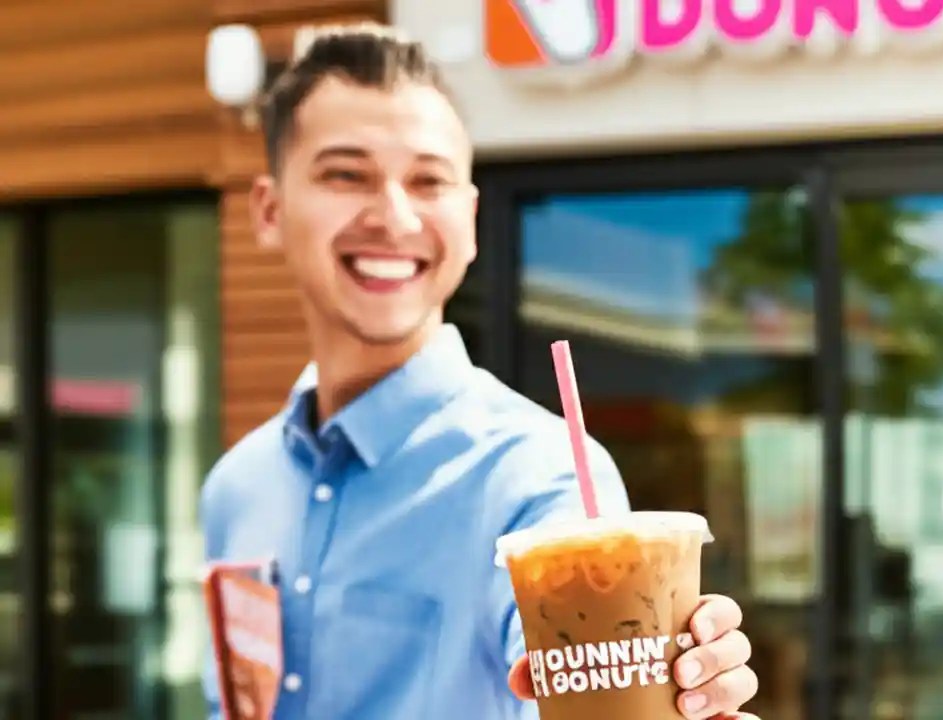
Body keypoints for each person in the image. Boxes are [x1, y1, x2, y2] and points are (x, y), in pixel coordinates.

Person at [199, 22, 759, 720]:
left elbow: (604, 685)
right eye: (347, 174)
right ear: (270, 210)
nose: (395, 218)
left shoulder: (540, 476)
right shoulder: (235, 489)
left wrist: (685, 694)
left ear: (468, 219)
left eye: (428, 180)